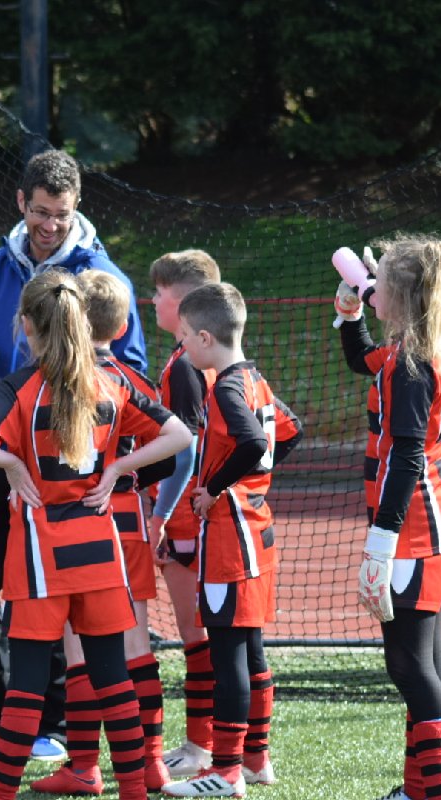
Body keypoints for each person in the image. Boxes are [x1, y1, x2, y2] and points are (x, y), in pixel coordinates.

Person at [0, 148, 147, 760]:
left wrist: (69, 402)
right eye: (39, 213)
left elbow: (129, 370)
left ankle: (53, 725)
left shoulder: (100, 276)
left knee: (52, 593)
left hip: (64, 463)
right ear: (21, 204)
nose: (49, 225)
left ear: (76, 207)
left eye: (60, 214)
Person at [0, 269, 191, 800]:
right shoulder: (109, 381)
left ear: (27, 325)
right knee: (115, 682)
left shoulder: (17, 387)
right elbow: (181, 434)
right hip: (100, 550)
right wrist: (118, 471)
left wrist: (10, 465)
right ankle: (133, 791)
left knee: (26, 689)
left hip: (40, 556)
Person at [29, 270, 174, 796]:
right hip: (131, 518)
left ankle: (85, 765)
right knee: (135, 644)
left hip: (86, 522)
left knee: (80, 650)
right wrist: (132, 474)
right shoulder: (135, 379)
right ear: (123, 321)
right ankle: (151, 762)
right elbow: (175, 444)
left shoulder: (66, 379)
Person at [334, 235, 441, 800]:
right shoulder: (408, 349)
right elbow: (362, 358)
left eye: (379, 279)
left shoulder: (411, 363)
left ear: (403, 294)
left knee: (409, 666)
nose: (371, 285)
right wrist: (349, 314)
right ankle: (421, 788)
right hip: (430, 521)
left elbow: (408, 453)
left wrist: (382, 540)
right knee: (424, 661)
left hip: (414, 528)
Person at [159, 283, 302, 798]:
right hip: (256, 530)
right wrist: (254, 477)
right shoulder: (253, 377)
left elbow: (258, 441)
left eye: (183, 339)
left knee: (229, 657)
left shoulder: (223, 387)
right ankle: (256, 760)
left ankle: (225, 771)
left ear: (203, 337)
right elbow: (292, 430)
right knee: (251, 648)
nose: (181, 350)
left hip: (230, 537)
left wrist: (215, 487)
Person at [144, 249, 222, 777]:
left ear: (186, 300)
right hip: (207, 519)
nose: (153, 298)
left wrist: (159, 515)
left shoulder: (185, 365)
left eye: (160, 291)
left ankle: (202, 748)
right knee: (212, 638)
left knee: (197, 639)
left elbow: (186, 448)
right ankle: (235, 751)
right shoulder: (212, 360)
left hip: (189, 522)